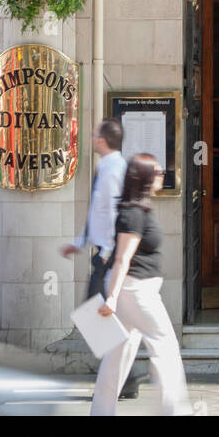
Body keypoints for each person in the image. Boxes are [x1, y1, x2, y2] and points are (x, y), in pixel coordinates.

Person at [91, 153, 190, 417]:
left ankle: (101, 412)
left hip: (134, 289)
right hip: (135, 291)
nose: (162, 175)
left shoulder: (136, 209)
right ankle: (175, 411)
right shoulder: (133, 213)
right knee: (165, 346)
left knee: (117, 355)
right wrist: (112, 298)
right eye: (157, 172)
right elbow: (122, 258)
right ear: (144, 177)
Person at [61, 117, 144, 401]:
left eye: (96, 134)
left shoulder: (113, 171)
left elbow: (112, 215)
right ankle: (126, 377)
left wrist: (107, 253)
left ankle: (126, 377)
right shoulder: (106, 167)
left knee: (96, 315)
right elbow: (96, 212)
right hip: (102, 251)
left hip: (108, 255)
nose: (92, 137)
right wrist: (80, 242)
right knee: (96, 317)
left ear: (103, 140)